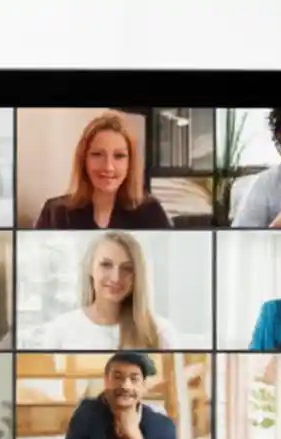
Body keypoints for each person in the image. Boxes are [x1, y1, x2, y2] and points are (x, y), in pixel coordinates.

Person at [28, 231, 176, 350]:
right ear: (90, 268)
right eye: (106, 265)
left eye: (127, 268)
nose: (116, 277)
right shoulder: (60, 330)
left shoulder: (160, 331)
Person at [34, 112, 171, 229]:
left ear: (130, 162)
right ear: (83, 160)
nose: (108, 167)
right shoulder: (55, 213)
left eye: (119, 156)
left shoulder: (151, 212)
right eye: (97, 155)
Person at [57, 351, 177, 439]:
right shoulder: (86, 415)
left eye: (134, 379)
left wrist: (135, 437)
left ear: (143, 386)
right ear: (106, 381)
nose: (125, 386)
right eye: (118, 377)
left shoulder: (163, 426)